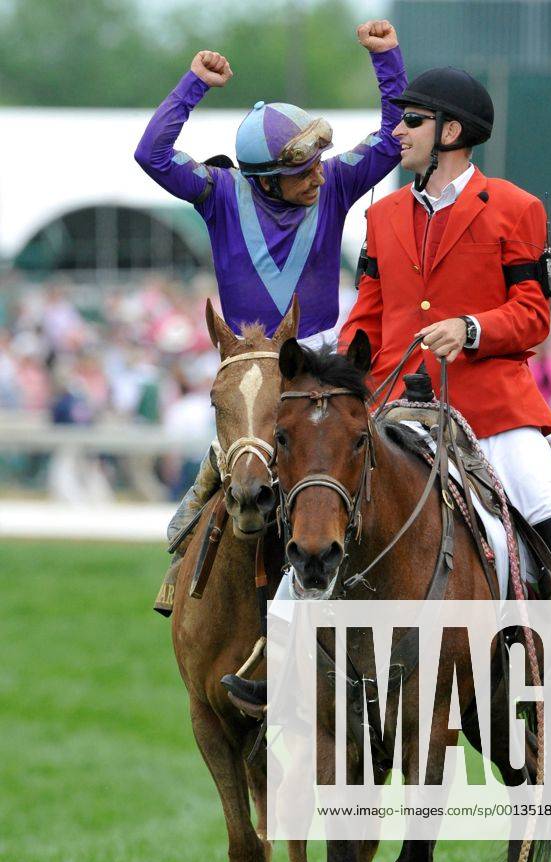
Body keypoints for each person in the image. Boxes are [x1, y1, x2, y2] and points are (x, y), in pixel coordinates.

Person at [337, 66, 551, 711]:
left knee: (542, 491)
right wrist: (339, 378)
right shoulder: (384, 215)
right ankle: (282, 653)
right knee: (319, 494)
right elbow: (368, 315)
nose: (396, 132)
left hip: (489, 401)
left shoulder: (517, 208)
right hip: (397, 399)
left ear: (450, 132)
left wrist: (471, 328)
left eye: (411, 121)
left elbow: (534, 315)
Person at [134, 21, 407, 615]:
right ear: (262, 179)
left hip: (323, 368)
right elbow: (150, 153)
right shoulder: (218, 193)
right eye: (301, 169)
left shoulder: (334, 183)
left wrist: (386, 58)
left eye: (317, 163)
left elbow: (391, 141)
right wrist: (193, 85)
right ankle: (187, 559)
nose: (317, 175)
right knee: (245, 472)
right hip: (253, 367)